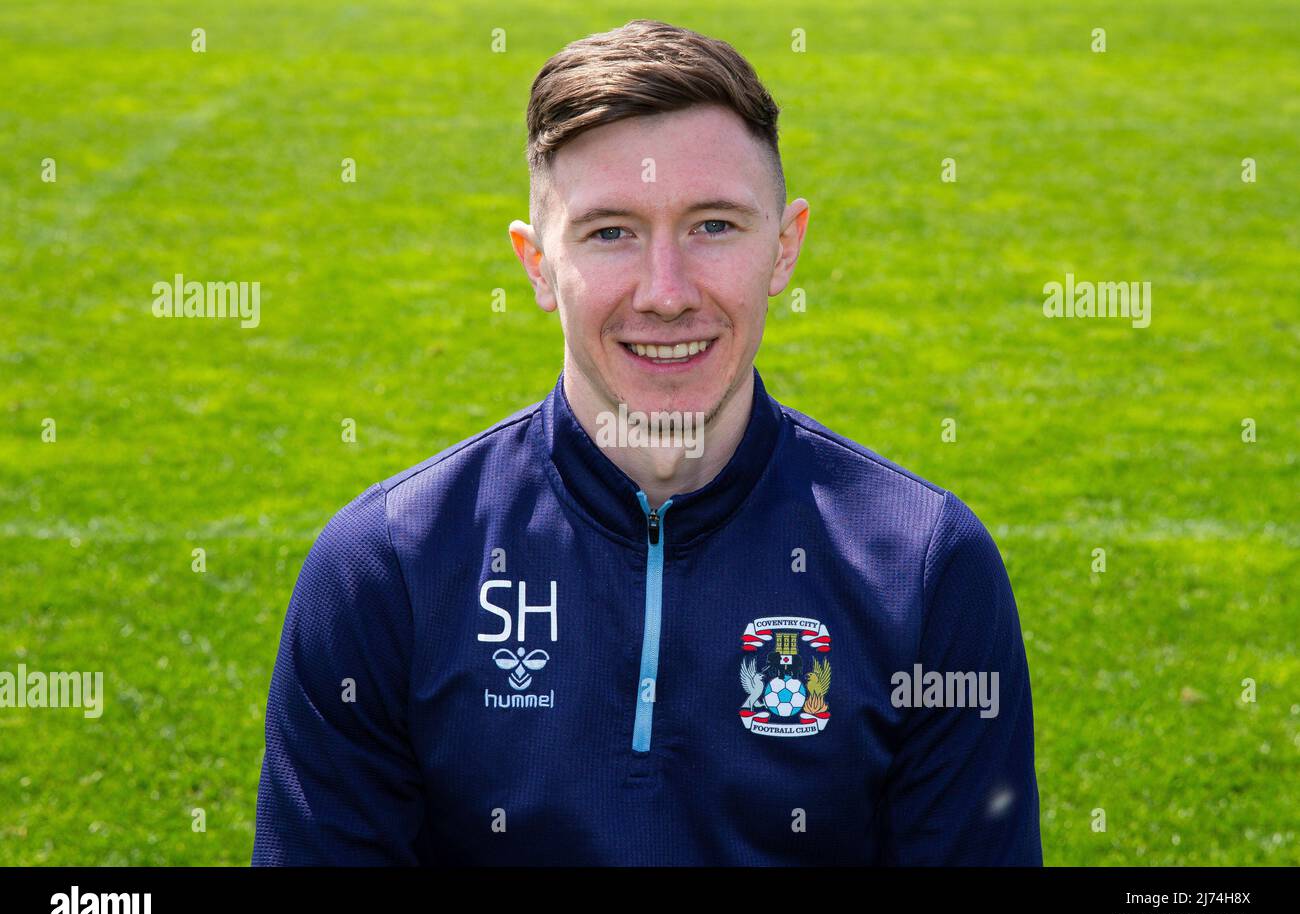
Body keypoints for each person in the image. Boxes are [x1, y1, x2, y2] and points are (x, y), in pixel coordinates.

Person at [252, 18, 1042, 866]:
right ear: (537, 266)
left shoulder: (926, 566)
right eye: (610, 232)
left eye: (714, 227)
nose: (666, 294)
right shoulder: (384, 569)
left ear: (785, 248)